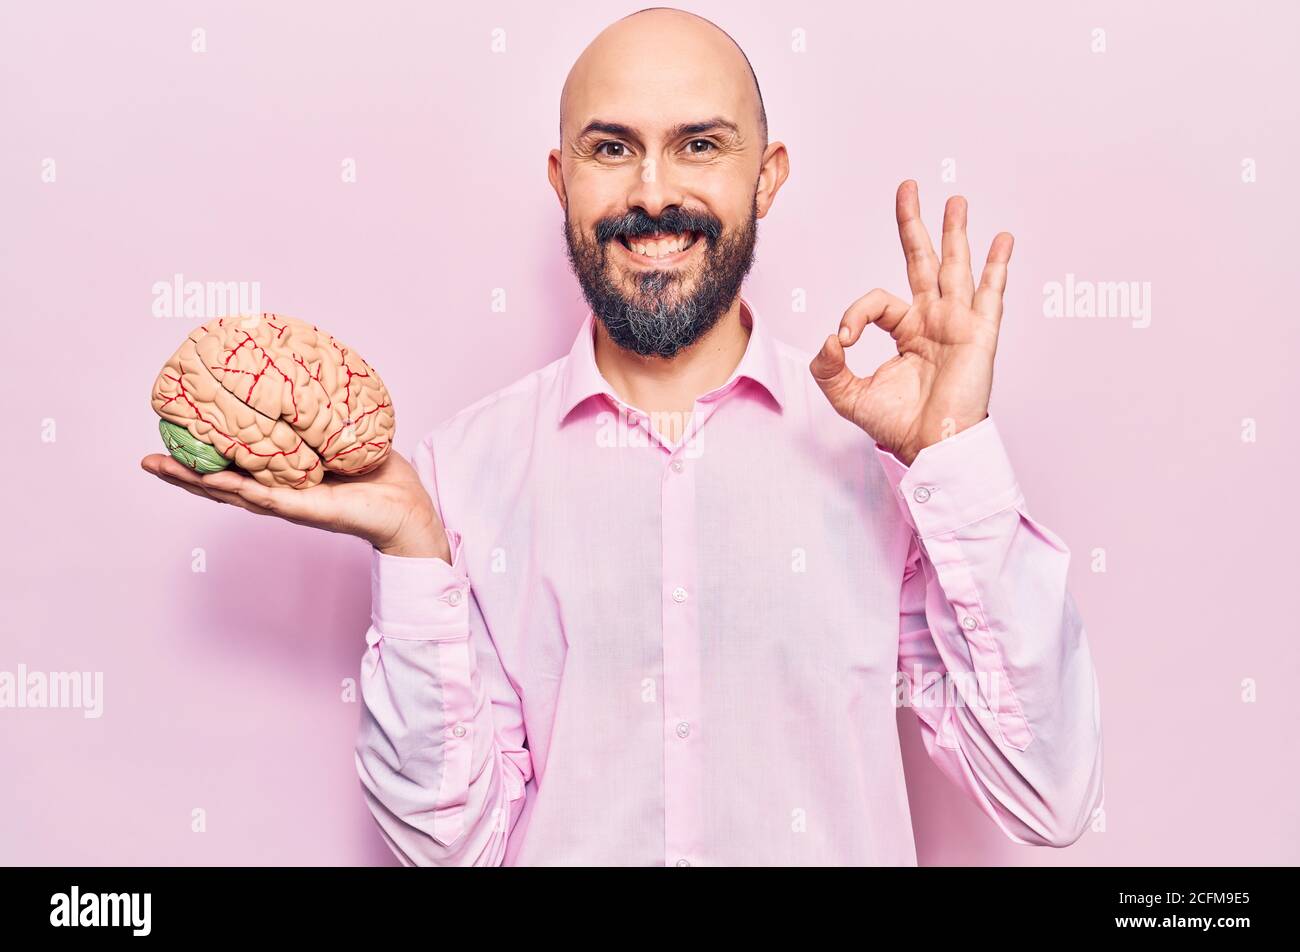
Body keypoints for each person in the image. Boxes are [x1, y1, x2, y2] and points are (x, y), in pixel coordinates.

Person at [141, 7, 1103, 866]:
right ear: (562, 179)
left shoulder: (883, 469)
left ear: (766, 178)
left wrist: (956, 453)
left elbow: (1048, 793)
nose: (653, 193)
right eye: (612, 148)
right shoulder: (459, 478)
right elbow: (447, 846)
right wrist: (412, 550)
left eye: (699, 145)